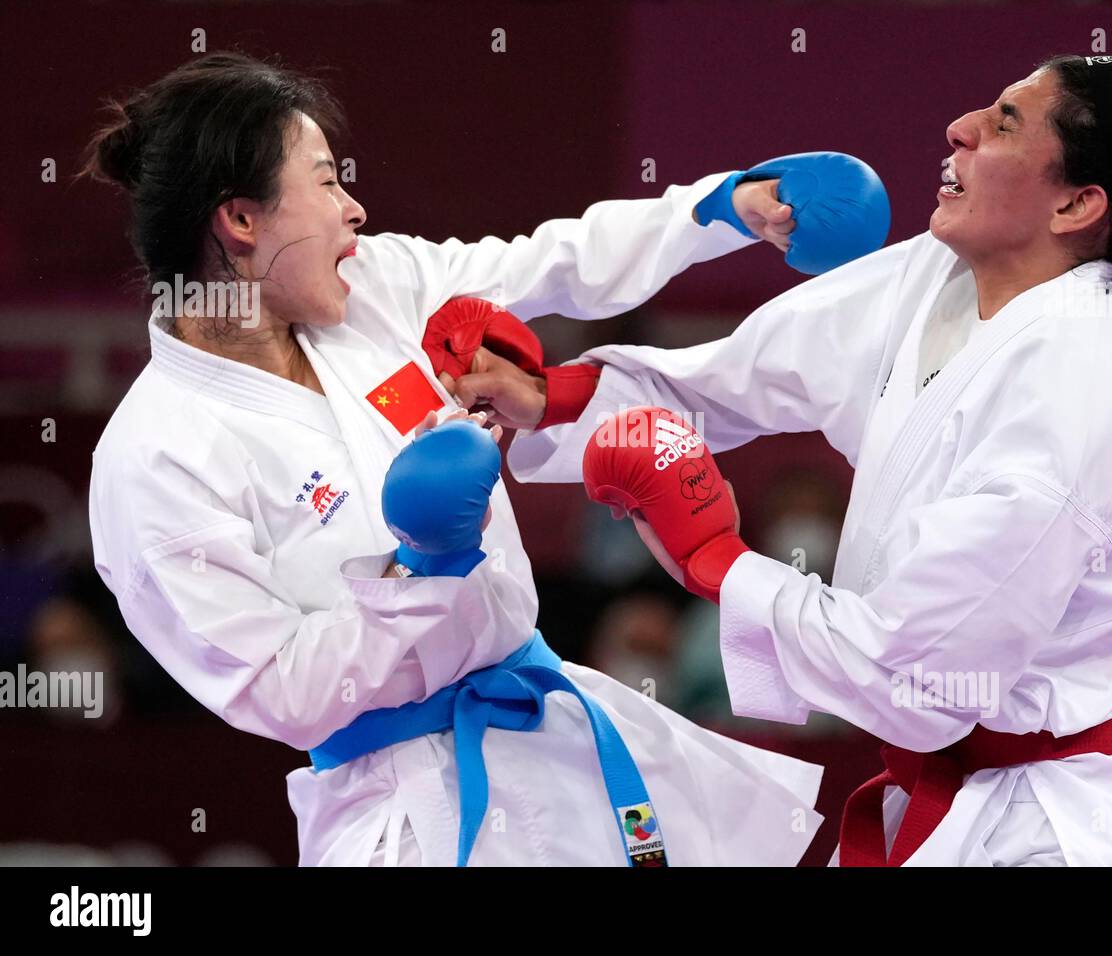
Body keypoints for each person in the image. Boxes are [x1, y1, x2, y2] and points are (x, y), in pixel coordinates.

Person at [81, 50, 892, 865]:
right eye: (325, 183)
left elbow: (550, 259)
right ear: (241, 221)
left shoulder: (371, 289)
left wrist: (718, 210)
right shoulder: (156, 458)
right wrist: (421, 568)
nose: (354, 208)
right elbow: (279, 689)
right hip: (402, 812)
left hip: (553, 734)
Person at [453, 54, 1112, 865]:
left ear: (1075, 204)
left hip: (1067, 823)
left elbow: (923, 682)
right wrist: (548, 396)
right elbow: (736, 379)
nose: (959, 128)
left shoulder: (1086, 390)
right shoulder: (941, 273)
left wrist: (718, 561)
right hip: (950, 785)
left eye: (1004, 123)